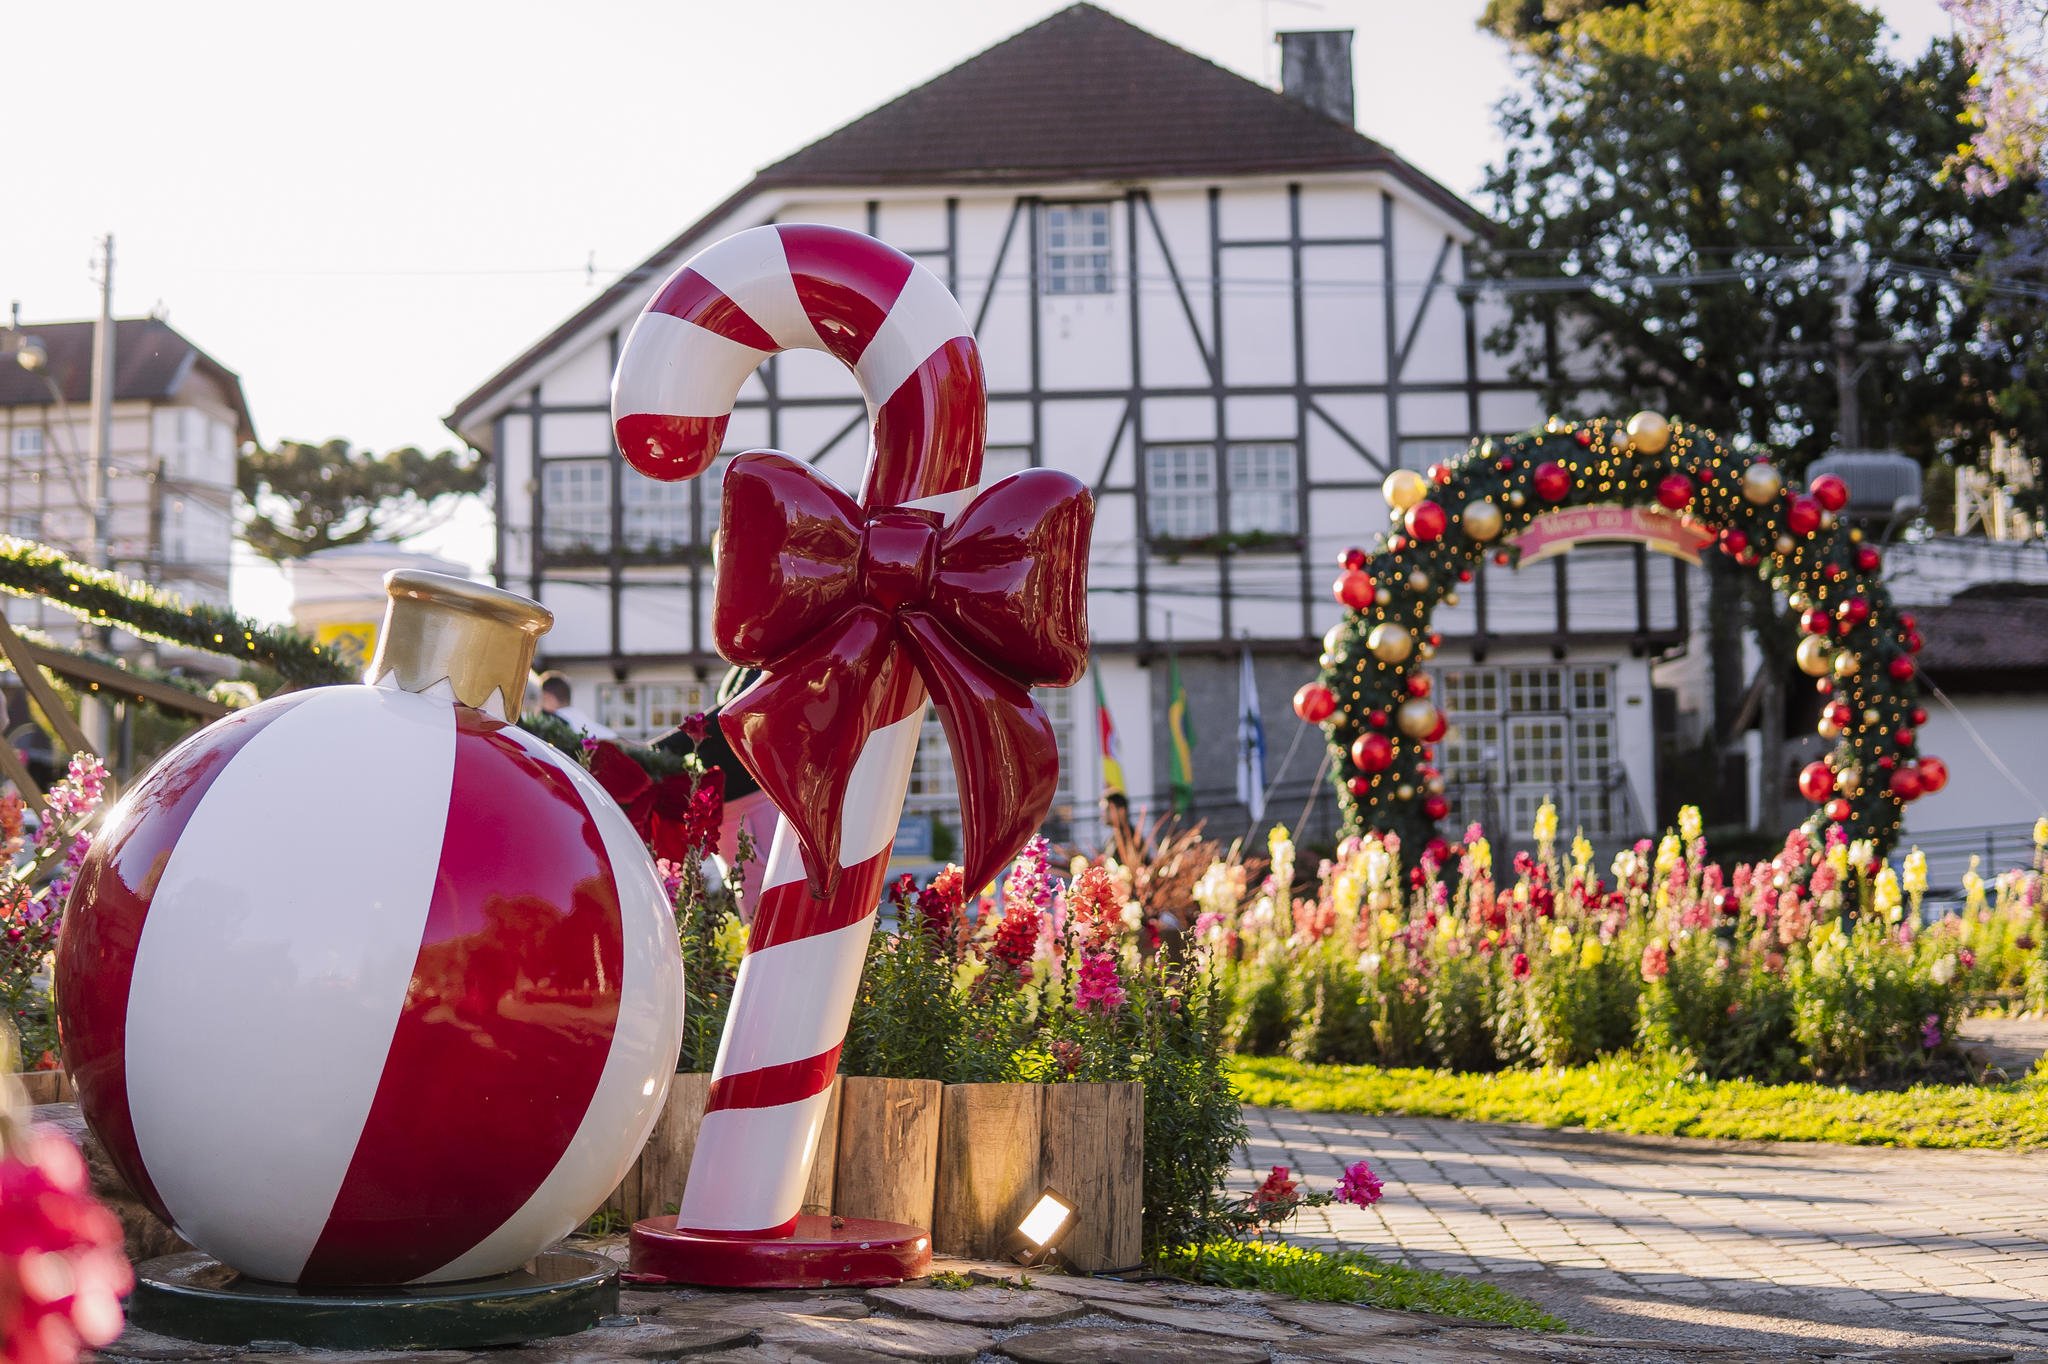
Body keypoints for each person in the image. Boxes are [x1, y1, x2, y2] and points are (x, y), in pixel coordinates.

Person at [536, 672, 617, 741]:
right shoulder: (606, 734)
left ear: (548, 697)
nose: (539, 705)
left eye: (541, 698)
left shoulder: (551, 726)